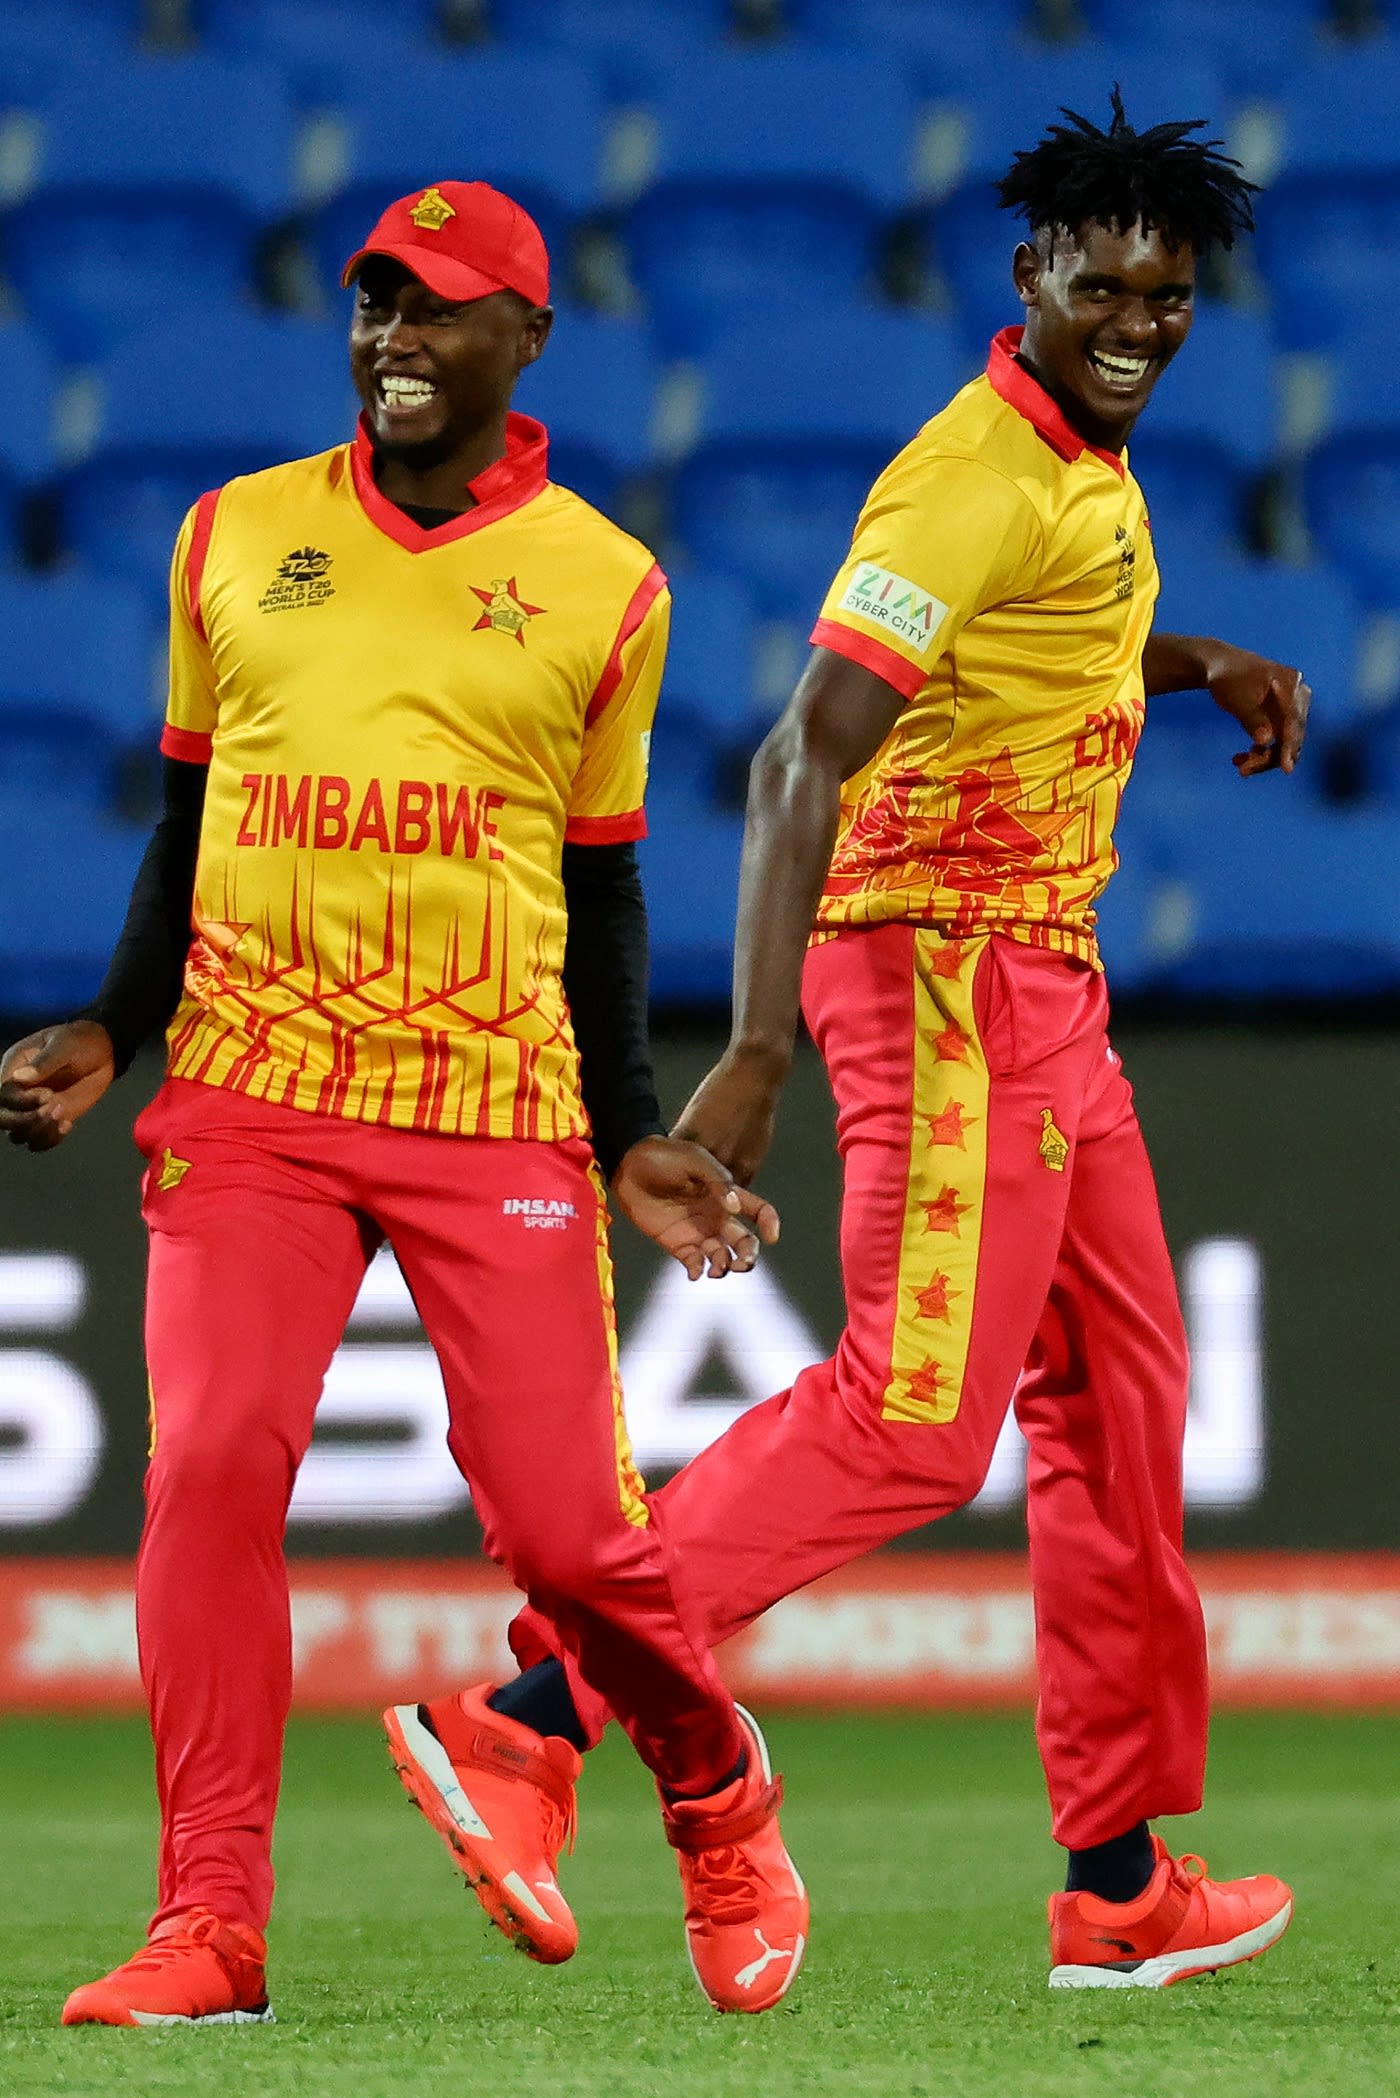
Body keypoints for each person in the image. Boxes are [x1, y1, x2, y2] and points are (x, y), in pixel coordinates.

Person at [396, 101, 1304, 1990]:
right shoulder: (968, 476)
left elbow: (1037, 638)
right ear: (1025, 279)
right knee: (911, 1421)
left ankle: (1122, 1876)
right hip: (950, 974)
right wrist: (750, 1052)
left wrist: (1195, 654)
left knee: (1123, 1407)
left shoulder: (1078, 471)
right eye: (1101, 283)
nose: (1139, 317)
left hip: (1052, 986)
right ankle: (534, 1717)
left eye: (1169, 290)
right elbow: (799, 748)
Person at [0, 180, 807, 2026]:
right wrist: (117, 1028)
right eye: (373, 303)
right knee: (209, 1471)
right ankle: (210, 1921)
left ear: (526, 342)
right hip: (254, 1091)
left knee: (567, 1532)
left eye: (436, 308)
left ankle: (714, 1781)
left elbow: (605, 884)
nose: (391, 338)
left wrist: (626, 1131)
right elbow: (192, 813)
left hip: (488, 1096)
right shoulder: (232, 535)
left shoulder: (611, 583)